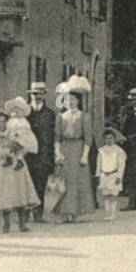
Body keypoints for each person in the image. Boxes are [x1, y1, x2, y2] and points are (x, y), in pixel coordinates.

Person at [0, 109, 40, 232]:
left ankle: (22, 224)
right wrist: (11, 149)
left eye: (3, 122)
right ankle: (6, 224)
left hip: (17, 166)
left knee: (20, 191)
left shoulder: (15, 134)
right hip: (2, 168)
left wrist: (19, 148)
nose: (1, 124)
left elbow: (24, 147)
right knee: (5, 194)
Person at [55, 77, 96, 222]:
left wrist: (85, 155)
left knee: (78, 181)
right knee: (65, 181)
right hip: (66, 149)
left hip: (78, 149)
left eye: (72, 99)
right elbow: (57, 137)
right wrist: (58, 152)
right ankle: (65, 213)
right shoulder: (60, 117)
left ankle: (76, 212)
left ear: (78, 101)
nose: (70, 102)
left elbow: (88, 138)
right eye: (67, 99)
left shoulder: (84, 117)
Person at [24, 82, 57, 223]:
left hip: (43, 155)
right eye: (34, 94)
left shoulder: (50, 114)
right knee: (25, 184)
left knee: (41, 185)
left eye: (40, 94)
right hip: (26, 155)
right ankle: (24, 213)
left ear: (44, 95)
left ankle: (38, 213)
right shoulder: (24, 112)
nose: (37, 96)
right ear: (30, 94)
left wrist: (52, 158)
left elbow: (52, 137)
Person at [96, 127, 127, 221]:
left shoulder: (119, 151)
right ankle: (107, 213)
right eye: (107, 138)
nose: (109, 140)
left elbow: (121, 165)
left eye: (111, 138)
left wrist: (119, 176)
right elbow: (99, 164)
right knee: (106, 195)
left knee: (113, 195)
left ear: (114, 139)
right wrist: (98, 175)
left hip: (114, 174)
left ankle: (113, 213)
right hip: (104, 174)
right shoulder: (101, 150)